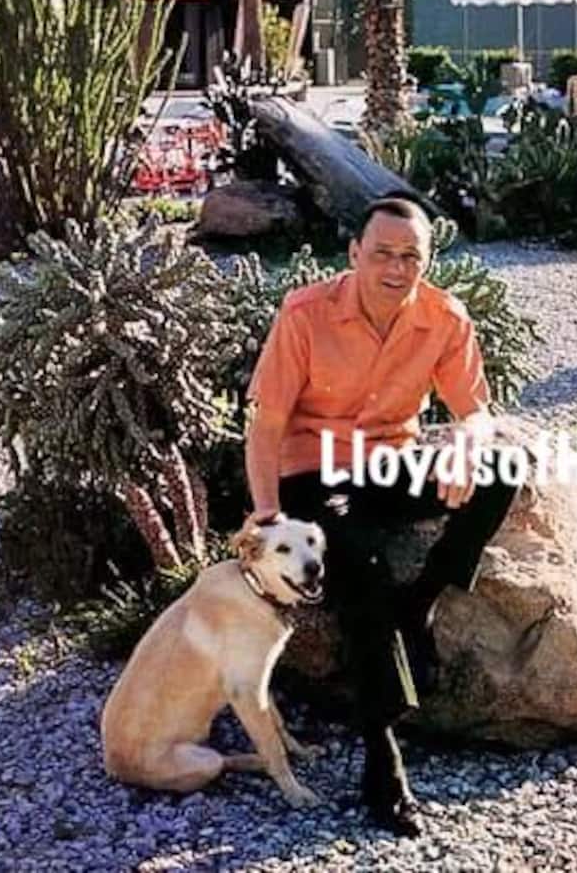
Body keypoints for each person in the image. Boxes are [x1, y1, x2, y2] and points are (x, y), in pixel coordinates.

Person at [245, 195, 519, 837]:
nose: (396, 268)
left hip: (386, 463)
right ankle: (383, 759)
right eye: (383, 254)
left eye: (411, 257)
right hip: (314, 470)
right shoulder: (306, 313)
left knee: (503, 473)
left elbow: (475, 412)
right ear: (355, 255)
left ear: (426, 261)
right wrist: (266, 516)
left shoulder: (444, 318)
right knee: (360, 570)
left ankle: (421, 600)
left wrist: (464, 448)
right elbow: (266, 425)